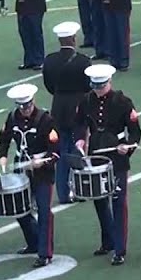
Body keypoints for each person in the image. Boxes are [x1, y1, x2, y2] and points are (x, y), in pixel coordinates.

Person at [73, 64, 141, 265]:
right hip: (96, 154)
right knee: (99, 199)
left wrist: (128, 147)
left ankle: (120, 249)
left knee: (119, 202)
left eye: (101, 86)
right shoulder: (86, 100)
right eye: (95, 86)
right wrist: (80, 139)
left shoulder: (122, 101)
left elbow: (135, 131)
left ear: (109, 82)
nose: (98, 90)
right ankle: (108, 241)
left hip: (117, 157)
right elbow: (79, 123)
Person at [0, 83, 59, 266]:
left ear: (33, 103)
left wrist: (42, 161)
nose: (25, 110)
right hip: (20, 169)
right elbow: (4, 138)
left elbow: (56, 151)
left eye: (28, 106)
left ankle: (45, 253)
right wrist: (2, 156)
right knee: (18, 208)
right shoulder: (12, 118)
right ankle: (33, 242)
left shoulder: (46, 120)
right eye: (22, 107)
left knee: (44, 210)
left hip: (42, 173)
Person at [42, 21, 92, 204]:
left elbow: (48, 85)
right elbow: (89, 86)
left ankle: (63, 193)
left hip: (58, 106)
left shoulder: (50, 60)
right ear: (73, 38)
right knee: (78, 147)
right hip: (78, 107)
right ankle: (78, 189)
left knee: (61, 150)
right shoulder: (83, 60)